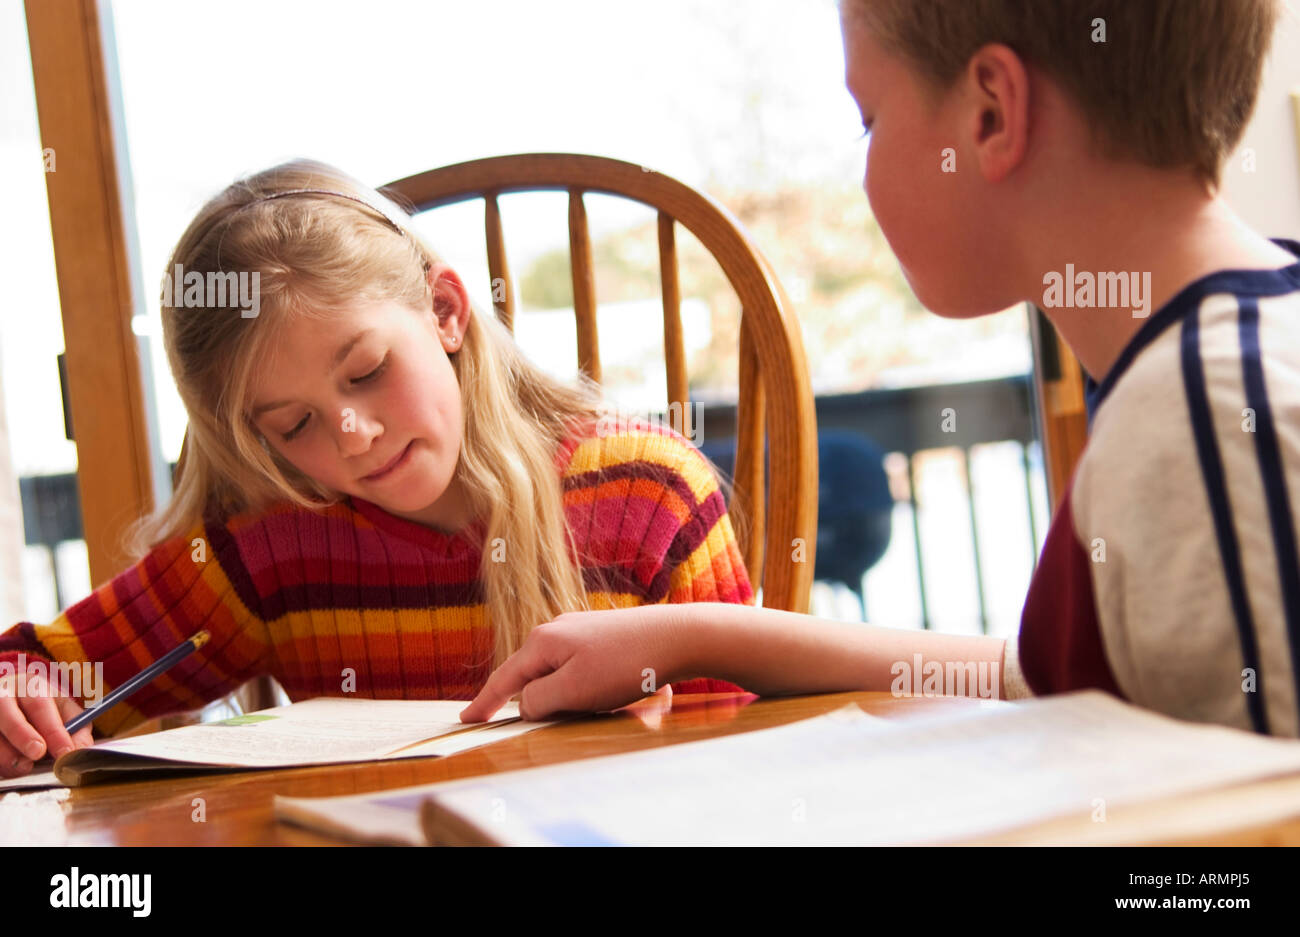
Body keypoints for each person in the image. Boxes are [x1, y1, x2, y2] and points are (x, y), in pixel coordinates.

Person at [462, 0, 1300, 738]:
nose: (859, 161)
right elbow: (1042, 683)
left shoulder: (1201, 415)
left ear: (991, 114)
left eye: (868, 118)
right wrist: (692, 636)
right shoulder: (1215, 368)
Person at [0, 159, 753, 778]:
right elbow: (43, 667)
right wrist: (23, 689)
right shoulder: (273, 544)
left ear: (445, 310)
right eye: (295, 425)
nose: (352, 436)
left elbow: (760, 754)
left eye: (366, 371)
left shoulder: (652, 496)